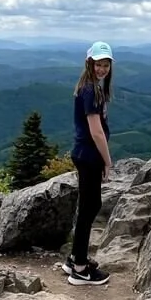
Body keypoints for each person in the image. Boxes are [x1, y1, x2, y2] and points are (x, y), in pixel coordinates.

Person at [63, 40, 114, 285]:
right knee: (90, 208)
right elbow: (96, 132)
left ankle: (75, 258)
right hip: (90, 155)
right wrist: (108, 161)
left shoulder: (87, 87)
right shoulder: (91, 91)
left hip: (83, 154)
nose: (102, 69)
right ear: (89, 63)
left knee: (88, 207)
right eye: (98, 64)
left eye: (106, 64)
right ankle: (81, 269)